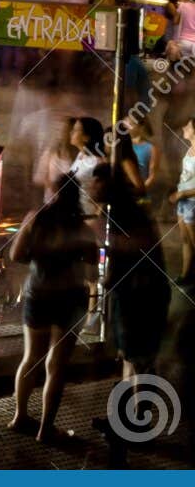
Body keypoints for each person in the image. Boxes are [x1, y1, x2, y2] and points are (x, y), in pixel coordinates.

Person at [88, 161, 173, 450]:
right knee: (128, 356)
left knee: (139, 359)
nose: (90, 187)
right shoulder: (113, 210)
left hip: (143, 295)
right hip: (129, 293)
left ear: (107, 184)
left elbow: (139, 244)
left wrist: (100, 235)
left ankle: (139, 422)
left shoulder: (126, 211)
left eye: (95, 182)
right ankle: (124, 419)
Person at [7, 176, 94, 441]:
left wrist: (40, 256)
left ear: (53, 192)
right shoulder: (82, 228)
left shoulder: (36, 219)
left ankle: (20, 416)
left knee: (30, 358)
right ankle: (46, 429)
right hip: (71, 297)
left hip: (39, 293)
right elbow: (93, 271)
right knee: (57, 366)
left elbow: (15, 255)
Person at [172, 119, 195, 286]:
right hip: (183, 200)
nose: (184, 128)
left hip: (192, 201)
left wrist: (183, 193)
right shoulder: (190, 149)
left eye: (188, 126)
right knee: (185, 239)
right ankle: (186, 274)